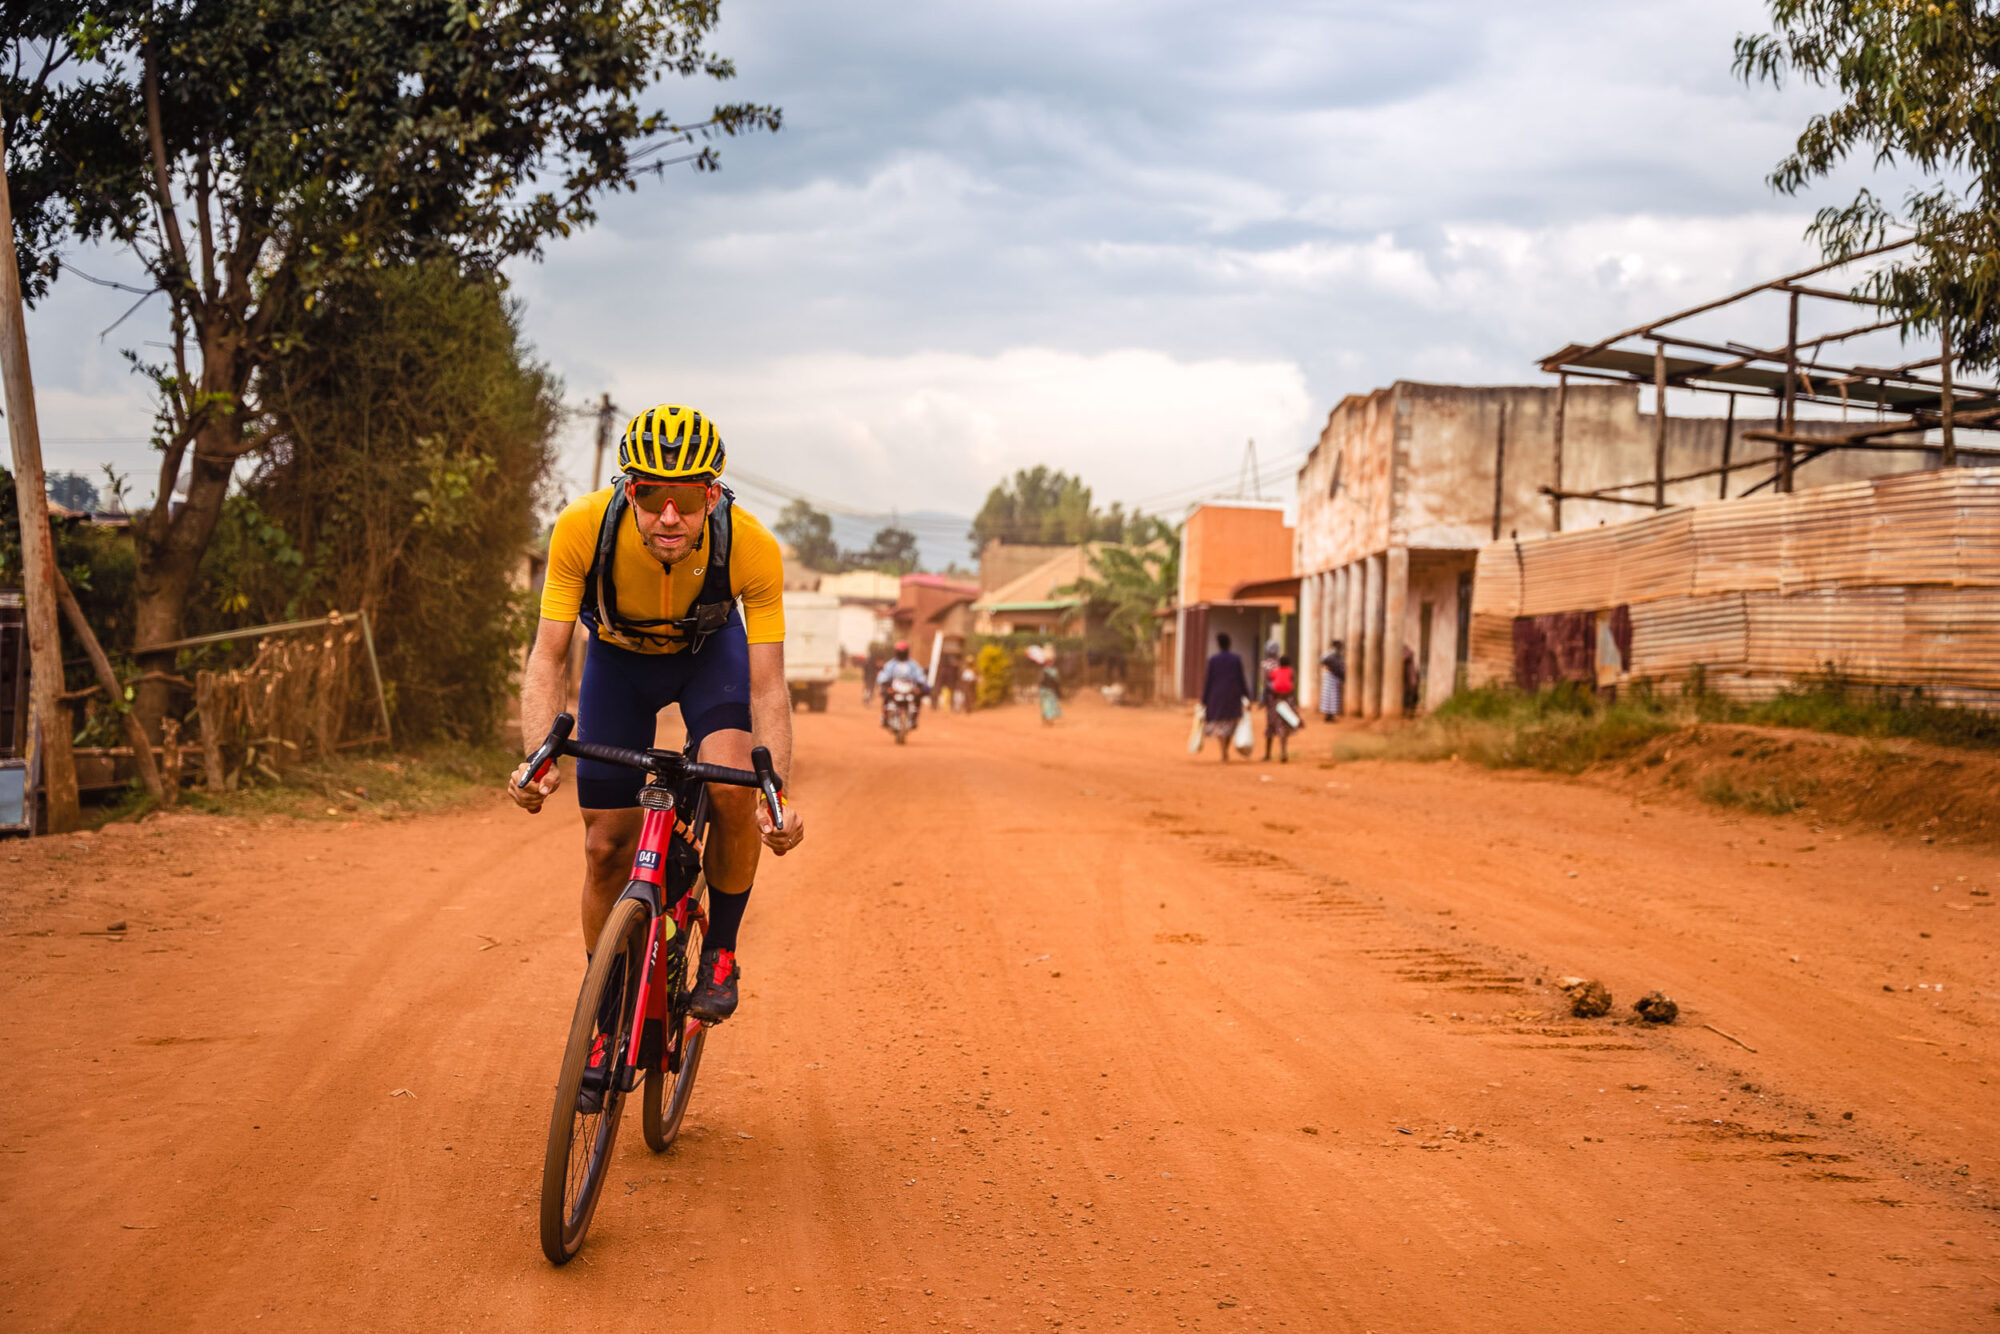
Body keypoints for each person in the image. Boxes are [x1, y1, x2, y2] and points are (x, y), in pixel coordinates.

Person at [510, 404, 807, 1045]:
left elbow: (768, 690)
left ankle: (720, 952)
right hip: (620, 666)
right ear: (628, 489)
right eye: (651, 495)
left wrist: (775, 792)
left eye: (687, 497)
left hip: (710, 661)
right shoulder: (582, 529)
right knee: (604, 850)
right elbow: (548, 657)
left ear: (712, 494)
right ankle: (607, 1005)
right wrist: (537, 757)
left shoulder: (751, 545)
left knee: (731, 787)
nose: (668, 516)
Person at [1199, 631, 1253, 762]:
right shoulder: (1236, 660)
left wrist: (1204, 699)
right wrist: (1247, 696)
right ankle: (1225, 749)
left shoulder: (1213, 660)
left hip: (1216, 695)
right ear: (1229, 644)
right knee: (1230, 722)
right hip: (1232, 695)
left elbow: (1208, 681)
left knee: (1220, 722)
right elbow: (1241, 679)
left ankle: (1223, 749)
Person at [877, 640, 930, 728]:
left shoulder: (913, 664)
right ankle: (884, 716)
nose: (902, 653)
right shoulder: (891, 664)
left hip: (909, 687)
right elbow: (884, 675)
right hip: (895, 687)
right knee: (886, 695)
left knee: (918, 697)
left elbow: (919, 675)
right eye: (900, 651)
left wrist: (920, 684)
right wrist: (885, 682)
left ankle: (914, 718)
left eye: (903, 651)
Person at [1262, 653, 1297, 762]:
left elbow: (1267, 684)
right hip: (1287, 702)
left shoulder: (1274, 672)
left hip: (1275, 702)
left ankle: (1268, 754)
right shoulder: (1291, 671)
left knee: (1271, 726)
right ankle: (1283, 751)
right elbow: (1293, 685)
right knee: (1284, 728)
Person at [1319, 642, 1345, 722]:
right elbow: (1322, 660)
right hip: (1330, 676)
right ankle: (1328, 715)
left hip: (1332, 676)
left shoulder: (1336, 655)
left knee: (1331, 696)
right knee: (1330, 696)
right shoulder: (1332, 655)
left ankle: (1329, 715)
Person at [1036, 651, 1062, 725]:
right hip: (1049, 690)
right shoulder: (1053, 671)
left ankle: (1046, 719)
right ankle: (1049, 719)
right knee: (1050, 704)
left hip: (1044, 690)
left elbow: (1039, 681)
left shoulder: (1043, 670)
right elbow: (1057, 681)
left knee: (1046, 705)